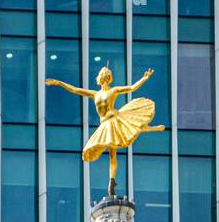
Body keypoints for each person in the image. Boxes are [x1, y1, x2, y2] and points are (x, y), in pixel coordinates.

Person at [46, 66, 164, 194]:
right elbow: (75, 90)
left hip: (112, 121)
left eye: (102, 75)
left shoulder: (106, 92)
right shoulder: (99, 93)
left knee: (129, 130)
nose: (101, 77)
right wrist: (58, 83)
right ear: (106, 78)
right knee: (117, 148)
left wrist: (144, 78)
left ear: (103, 78)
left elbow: (131, 88)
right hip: (106, 124)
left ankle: (112, 181)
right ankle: (112, 180)